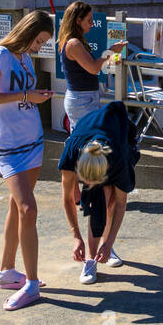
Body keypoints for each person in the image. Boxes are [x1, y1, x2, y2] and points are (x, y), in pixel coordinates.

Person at [0, 9, 54, 311]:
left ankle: (7, 271)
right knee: (28, 209)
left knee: (17, 207)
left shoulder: (24, 58)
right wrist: (26, 96)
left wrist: (34, 95)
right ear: (28, 31)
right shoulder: (1, 55)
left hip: (31, 140)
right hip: (9, 145)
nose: (39, 47)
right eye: (39, 40)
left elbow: (23, 94)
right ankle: (31, 283)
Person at [58, 101, 139, 285]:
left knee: (109, 198)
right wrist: (76, 237)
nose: (88, 185)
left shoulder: (119, 159)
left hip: (122, 131)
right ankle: (91, 259)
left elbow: (121, 204)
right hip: (89, 129)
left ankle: (105, 247)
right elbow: (67, 199)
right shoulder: (71, 152)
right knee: (95, 199)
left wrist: (109, 242)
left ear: (107, 170)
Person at [57, 0, 126, 129]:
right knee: (89, 137)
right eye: (89, 21)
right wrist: (111, 51)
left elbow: (89, 66)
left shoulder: (76, 42)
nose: (92, 24)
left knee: (87, 137)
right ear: (78, 21)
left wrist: (111, 57)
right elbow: (93, 68)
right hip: (81, 100)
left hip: (84, 98)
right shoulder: (74, 43)